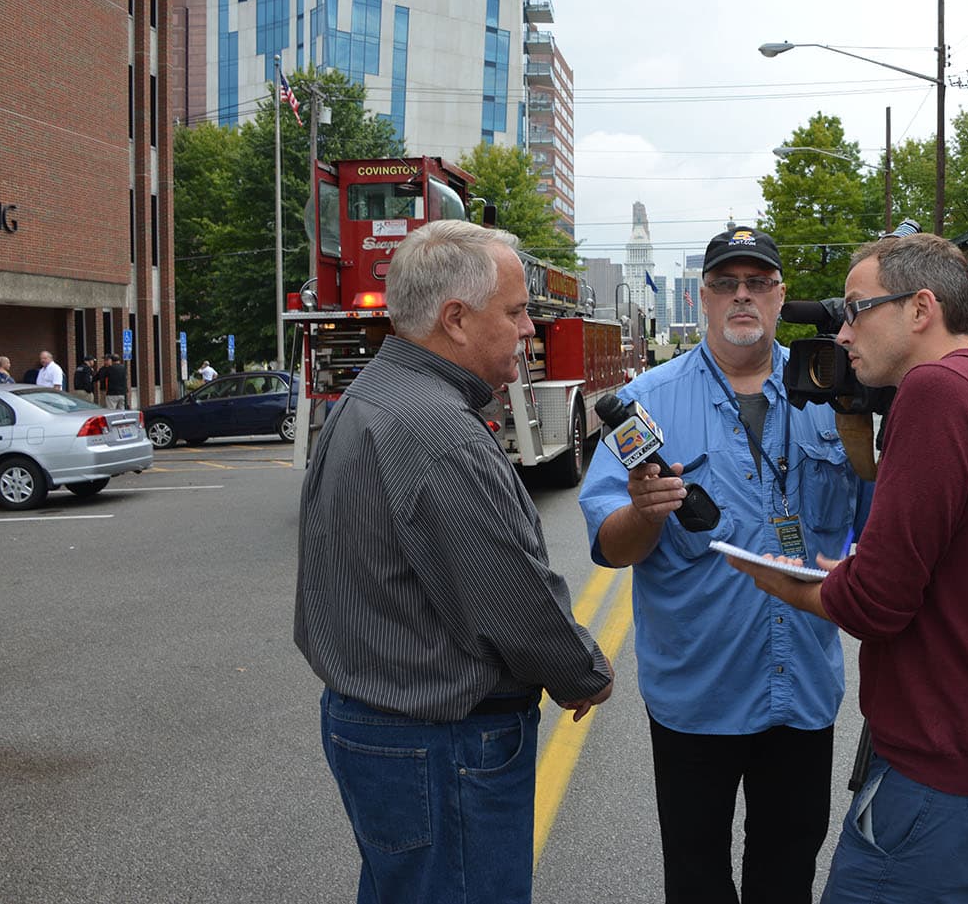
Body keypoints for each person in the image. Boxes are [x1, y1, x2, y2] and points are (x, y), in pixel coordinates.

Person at [724, 233, 968, 904]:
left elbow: (877, 602)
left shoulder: (934, 391)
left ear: (920, 309)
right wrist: (872, 568)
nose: (844, 334)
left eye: (856, 309)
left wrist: (785, 583)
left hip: (934, 778)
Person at [295, 219, 613, 904]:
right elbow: (511, 598)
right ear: (457, 319)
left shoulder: (371, 396)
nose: (529, 328)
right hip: (443, 743)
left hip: (378, 723)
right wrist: (582, 672)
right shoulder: (438, 431)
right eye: (516, 311)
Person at [578, 225, 871, 904]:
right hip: (696, 697)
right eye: (726, 284)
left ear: (780, 296)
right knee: (697, 877)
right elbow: (611, 546)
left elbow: (880, 517)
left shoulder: (837, 392)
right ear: (703, 298)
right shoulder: (648, 401)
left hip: (801, 692)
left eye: (758, 283)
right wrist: (644, 512)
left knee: (787, 873)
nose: (743, 295)